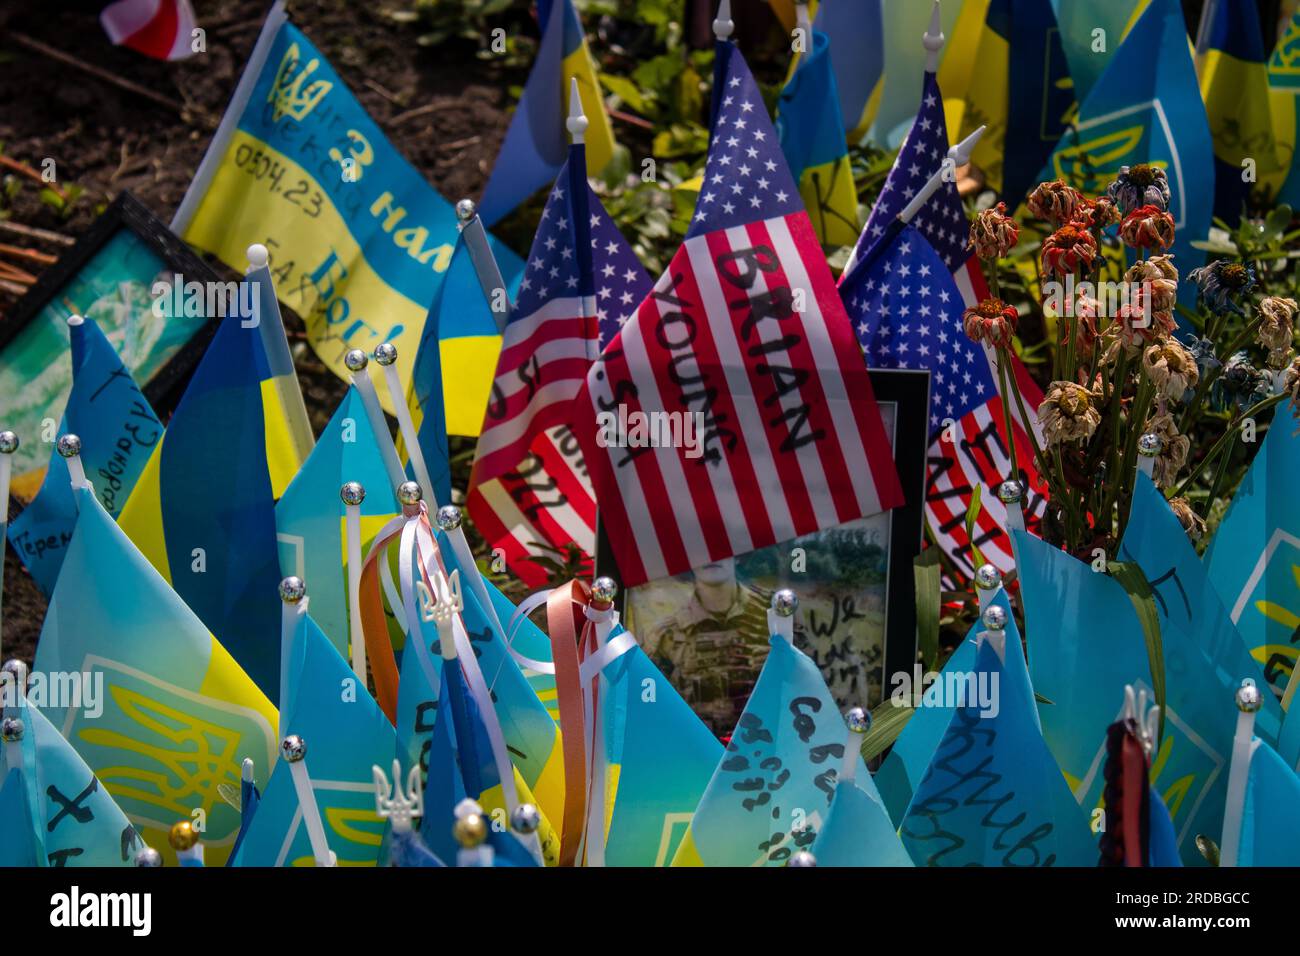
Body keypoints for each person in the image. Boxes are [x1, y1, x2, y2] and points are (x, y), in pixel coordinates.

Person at [643, 556, 783, 737]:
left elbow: (814, 687)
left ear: (738, 554)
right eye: (699, 549)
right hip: (695, 752)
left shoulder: (779, 618)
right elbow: (648, 709)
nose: (711, 555)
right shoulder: (664, 636)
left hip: (770, 748)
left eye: (720, 545)